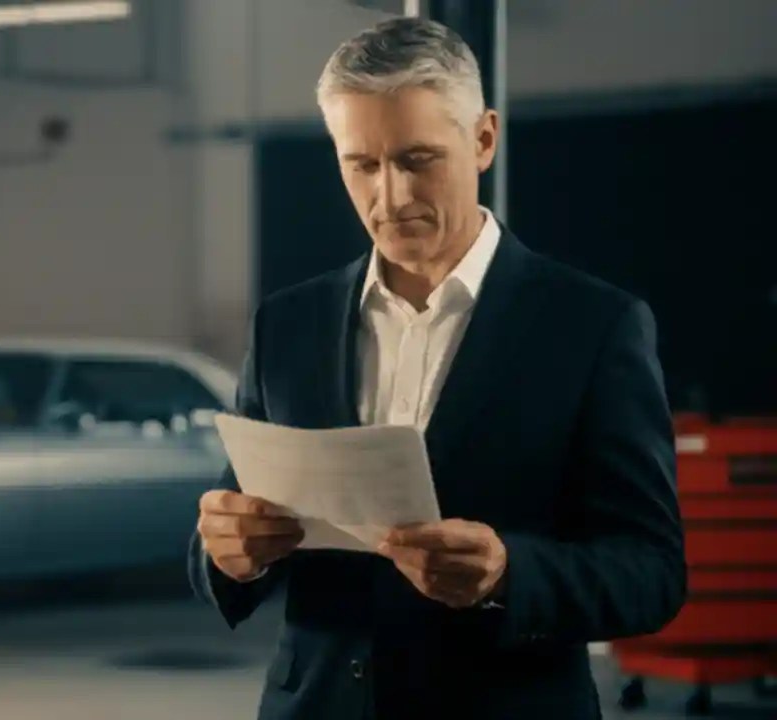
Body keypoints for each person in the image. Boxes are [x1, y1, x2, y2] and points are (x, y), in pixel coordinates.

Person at [188, 17, 685, 720]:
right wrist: (226, 553)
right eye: (361, 165)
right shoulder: (286, 324)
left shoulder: (593, 327)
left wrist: (509, 572)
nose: (389, 199)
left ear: (483, 139)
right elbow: (228, 531)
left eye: (417, 160)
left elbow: (654, 574)